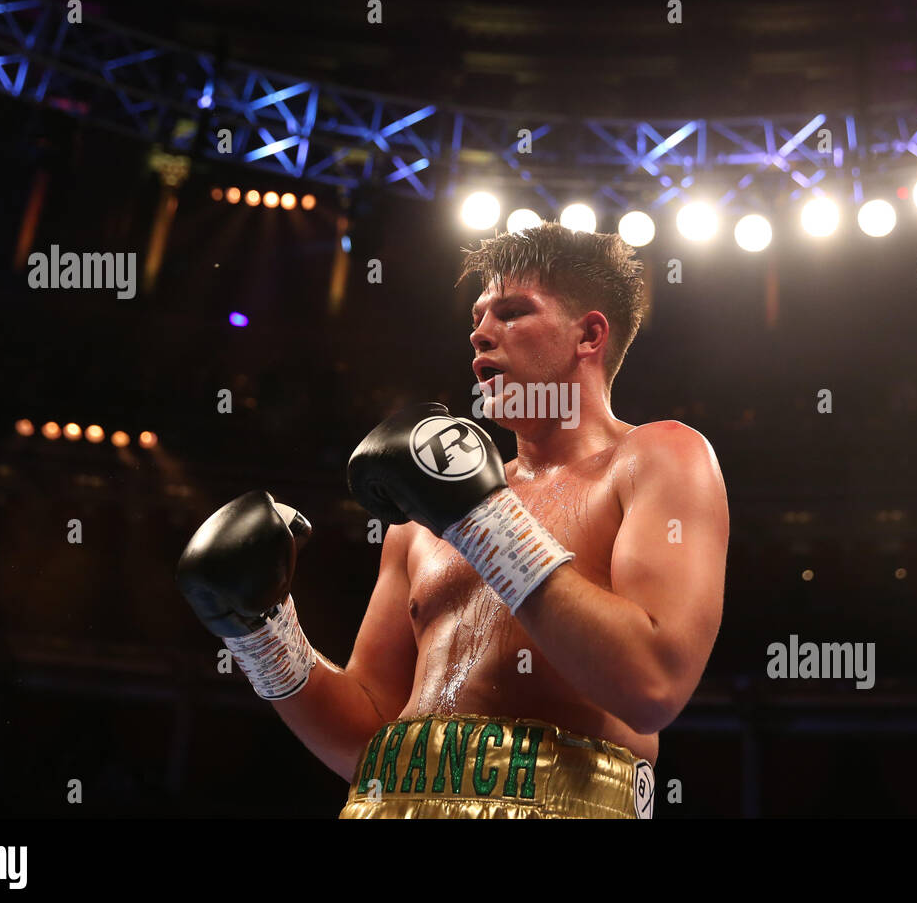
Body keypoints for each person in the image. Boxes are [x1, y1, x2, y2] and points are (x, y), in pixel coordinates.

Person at [177, 222, 729, 817]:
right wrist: (262, 636)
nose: (482, 333)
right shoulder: (421, 518)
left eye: (513, 312)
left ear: (589, 335)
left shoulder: (659, 457)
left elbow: (652, 685)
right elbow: (368, 739)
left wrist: (481, 520)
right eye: (478, 316)